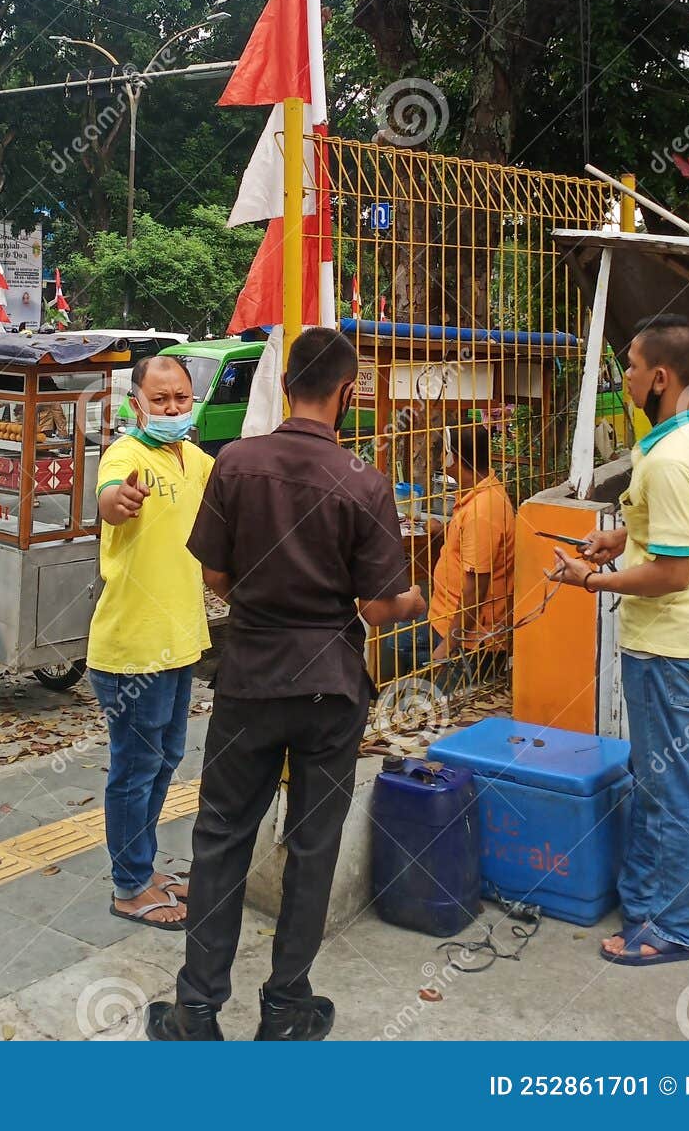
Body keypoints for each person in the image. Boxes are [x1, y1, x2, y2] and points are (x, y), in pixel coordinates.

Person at [147, 328, 425, 1043]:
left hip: (251, 678)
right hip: (330, 688)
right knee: (312, 844)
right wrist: (416, 600)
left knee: (219, 838)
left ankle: (198, 1009)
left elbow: (214, 576)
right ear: (347, 392)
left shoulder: (235, 465)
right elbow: (377, 606)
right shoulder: (363, 483)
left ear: (284, 383)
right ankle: (286, 1007)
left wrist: (261, 595)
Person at [551, 314, 689, 967]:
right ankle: (647, 909)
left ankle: (676, 929)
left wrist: (592, 580)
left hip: (667, 650)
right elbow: (669, 532)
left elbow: (674, 570)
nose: (621, 375)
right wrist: (618, 537)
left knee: (669, 793)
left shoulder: (677, 457)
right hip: (687, 644)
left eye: (628, 364)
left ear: (660, 376)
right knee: (655, 782)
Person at [89, 354, 214, 930]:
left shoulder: (198, 462)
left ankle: (141, 867)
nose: (170, 409)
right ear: (136, 402)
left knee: (164, 760)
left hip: (182, 642)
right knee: (134, 769)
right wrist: (119, 502)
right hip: (133, 649)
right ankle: (128, 887)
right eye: (159, 400)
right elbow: (110, 498)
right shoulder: (125, 454)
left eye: (180, 400)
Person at [377, 422, 515, 688]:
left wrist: (450, 645)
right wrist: (444, 530)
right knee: (397, 642)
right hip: (443, 615)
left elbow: (476, 588)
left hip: (466, 632)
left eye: (441, 451)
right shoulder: (480, 494)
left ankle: (436, 678)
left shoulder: (482, 512)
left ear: (451, 456)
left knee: (404, 652)